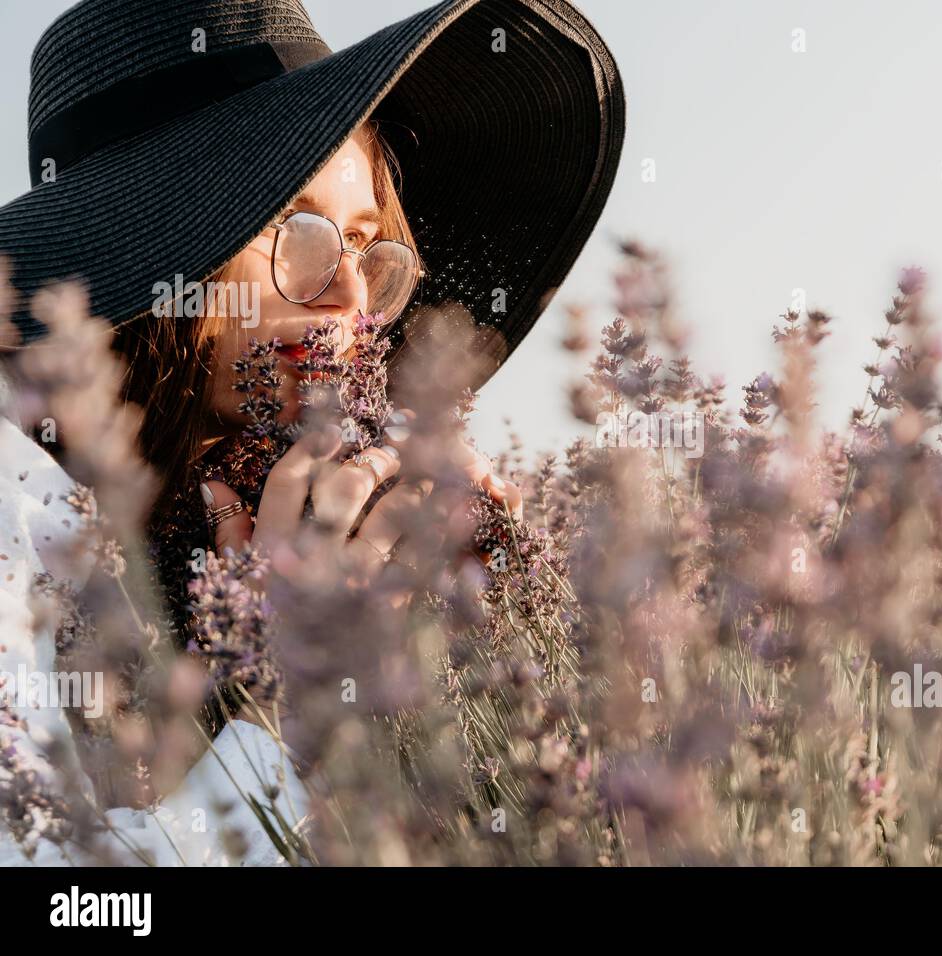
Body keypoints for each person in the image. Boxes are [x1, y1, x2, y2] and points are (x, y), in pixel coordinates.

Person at [0, 0, 624, 865]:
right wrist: (296, 710)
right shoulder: (16, 528)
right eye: (292, 230)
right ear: (145, 265)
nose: (350, 300)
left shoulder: (233, 519)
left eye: (370, 246)